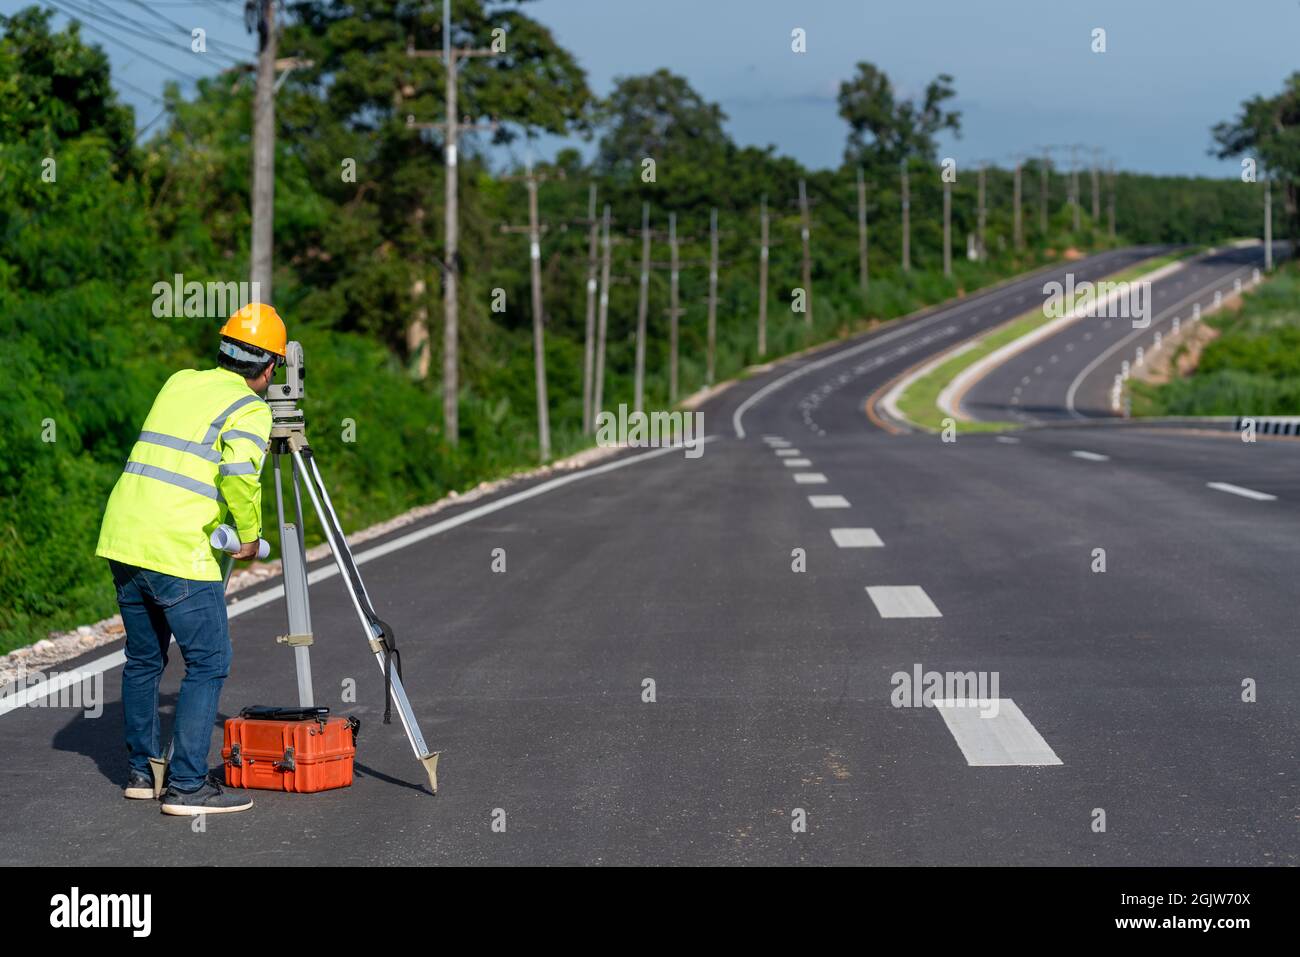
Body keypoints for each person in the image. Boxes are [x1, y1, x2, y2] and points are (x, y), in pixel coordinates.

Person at [95, 303, 286, 816]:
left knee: (144, 659)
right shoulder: (251, 409)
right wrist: (249, 537)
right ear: (269, 368)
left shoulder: (180, 381)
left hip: (124, 537)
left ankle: (142, 772)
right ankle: (185, 786)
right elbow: (241, 476)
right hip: (178, 548)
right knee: (208, 661)